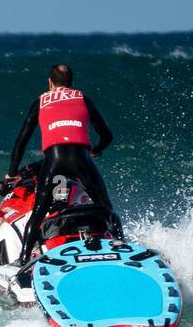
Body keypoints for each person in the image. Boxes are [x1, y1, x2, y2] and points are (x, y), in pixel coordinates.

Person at [6, 64, 117, 282]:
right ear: (71, 82)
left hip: (53, 159)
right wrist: (96, 150)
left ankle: (23, 260)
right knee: (106, 208)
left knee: (38, 213)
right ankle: (121, 246)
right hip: (81, 158)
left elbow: (21, 142)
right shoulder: (82, 98)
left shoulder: (41, 101)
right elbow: (107, 135)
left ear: (50, 82)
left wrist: (11, 173)